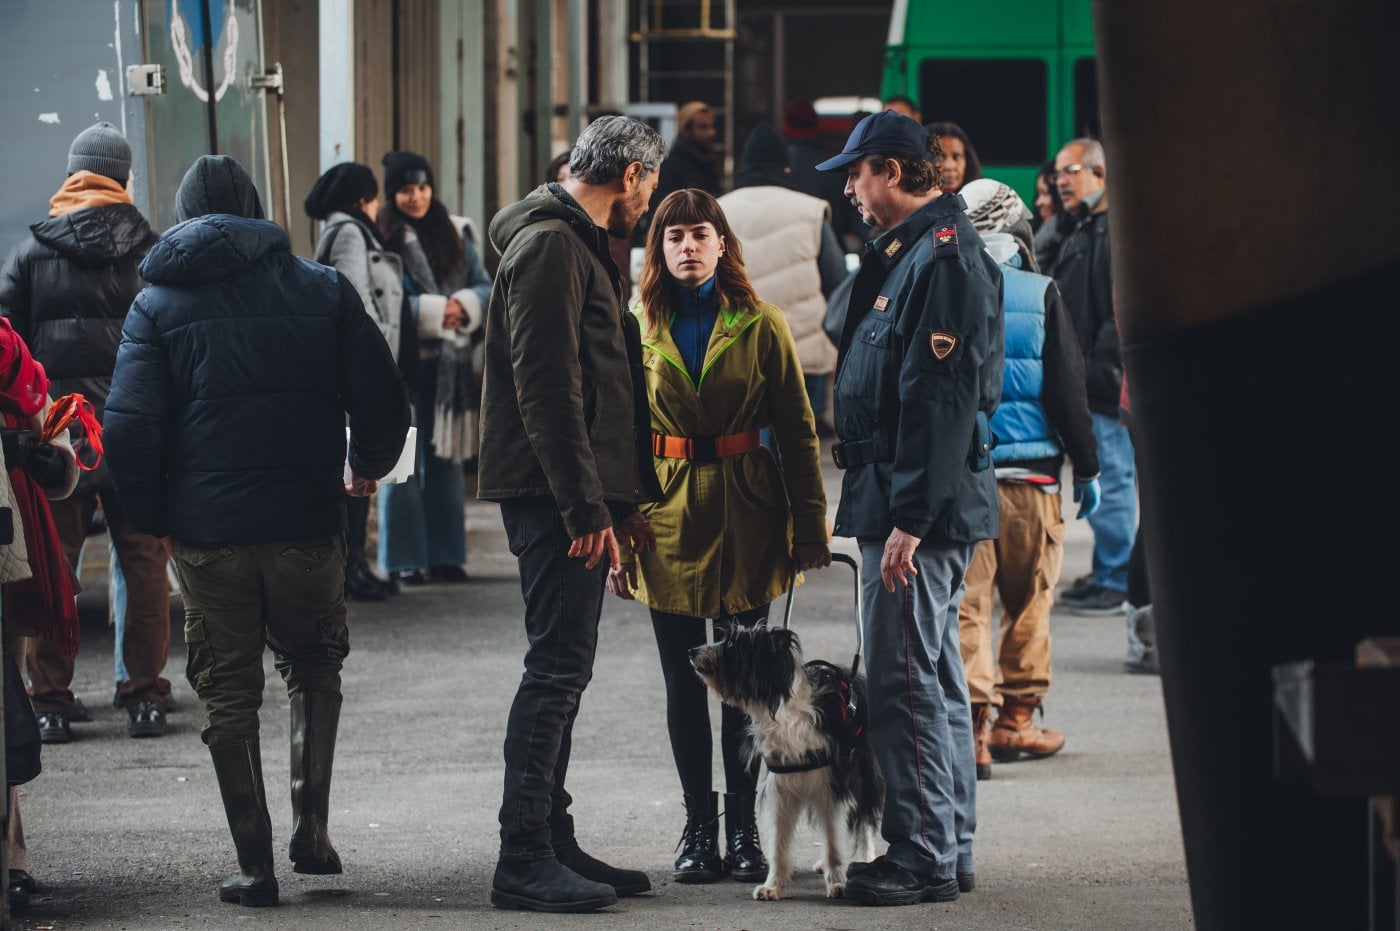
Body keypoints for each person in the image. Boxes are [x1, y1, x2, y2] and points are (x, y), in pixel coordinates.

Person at [102, 155, 410, 908]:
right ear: (253, 206)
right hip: (308, 518)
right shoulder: (319, 288)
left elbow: (131, 431)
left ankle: (255, 863)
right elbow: (383, 397)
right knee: (313, 664)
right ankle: (313, 827)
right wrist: (366, 466)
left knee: (228, 691)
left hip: (209, 534)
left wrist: (152, 520)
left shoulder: (156, 304)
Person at [607, 187, 831, 884]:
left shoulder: (761, 322)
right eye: (673, 238)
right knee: (682, 679)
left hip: (747, 506)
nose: (687, 248)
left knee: (743, 682)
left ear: (722, 242)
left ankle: (744, 831)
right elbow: (616, 430)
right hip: (664, 511)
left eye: (700, 234)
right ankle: (697, 826)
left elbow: (797, 429)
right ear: (658, 249)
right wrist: (616, 516)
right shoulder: (636, 322)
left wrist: (808, 522)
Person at [476, 114, 666, 913]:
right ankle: (522, 853)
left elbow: (599, 378)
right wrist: (586, 506)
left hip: (574, 495)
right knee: (555, 669)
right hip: (555, 496)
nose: (649, 203)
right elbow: (549, 387)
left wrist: (620, 499)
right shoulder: (553, 244)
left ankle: (551, 838)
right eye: (650, 185)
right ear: (629, 174)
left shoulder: (575, 241)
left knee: (565, 667)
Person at [817, 108, 1003, 906]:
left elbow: (940, 398)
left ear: (891, 171)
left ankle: (920, 851)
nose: (851, 191)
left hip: (912, 508)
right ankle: (946, 845)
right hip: (901, 497)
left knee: (902, 681)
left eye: (856, 174)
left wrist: (911, 517)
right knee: (930, 673)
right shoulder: (913, 255)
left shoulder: (942, 260)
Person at [0, 120, 173, 742]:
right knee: (145, 565)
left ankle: (50, 702)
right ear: (123, 177)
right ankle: (144, 696)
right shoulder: (153, 249)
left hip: (60, 437)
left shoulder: (29, 253)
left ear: (72, 173)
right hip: (133, 435)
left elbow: (7, 351)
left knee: (58, 566)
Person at [952, 178, 1101, 779]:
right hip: (1034, 484)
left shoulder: (948, 288)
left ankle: (973, 732)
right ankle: (1018, 720)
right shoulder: (1041, 292)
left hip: (968, 479)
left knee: (968, 606)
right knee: (1030, 603)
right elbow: (1069, 389)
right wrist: (1086, 465)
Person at [376, 150, 492, 586]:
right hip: (402, 365)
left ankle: (446, 554)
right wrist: (429, 310)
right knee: (400, 465)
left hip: (449, 368)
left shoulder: (457, 231)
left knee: (445, 462)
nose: (417, 196)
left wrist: (462, 308)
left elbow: (483, 284)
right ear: (393, 194)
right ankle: (403, 558)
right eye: (406, 189)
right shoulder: (381, 236)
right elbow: (375, 298)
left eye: (422, 187)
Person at [304, 161, 416, 603]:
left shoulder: (345, 229)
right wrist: (375, 362)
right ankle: (352, 570)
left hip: (355, 367)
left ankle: (355, 567)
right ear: (361, 199)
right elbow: (357, 301)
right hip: (358, 370)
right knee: (358, 469)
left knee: (359, 469)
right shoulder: (349, 233)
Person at [0, 316, 82, 910]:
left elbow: (53, 437)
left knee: (4, 703)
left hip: (7, 550)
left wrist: (51, 461)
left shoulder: (9, 352)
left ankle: (12, 859)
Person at [1047, 138, 1136, 616]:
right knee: (1108, 476)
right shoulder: (1086, 226)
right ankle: (1109, 570)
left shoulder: (1110, 229)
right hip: (1092, 374)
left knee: (1113, 479)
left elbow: (1118, 312)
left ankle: (1116, 578)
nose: (1061, 180)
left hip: (1102, 378)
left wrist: (1091, 367)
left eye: (1072, 170)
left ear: (1100, 174)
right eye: (1058, 171)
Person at [717, 123, 849, 437]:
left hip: (735, 349)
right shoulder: (811, 211)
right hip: (802, 352)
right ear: (785, 166)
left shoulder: (717, 211)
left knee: (745, 446)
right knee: (797, 449)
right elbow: (837, 281)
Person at [547, 148, 634, 304]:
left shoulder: (608, 228)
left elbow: (619, 285)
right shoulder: (548, 232)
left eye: (574, 177)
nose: (567, 185)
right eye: (560, 178)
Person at [783, 98, 865, 254]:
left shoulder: (778, 169)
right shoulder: (835, 170)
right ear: (816, 127)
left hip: (788, 254)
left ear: (785, 126)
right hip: (828, 255)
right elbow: (854, 221)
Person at [645, 101, 722, 241]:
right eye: (703, 127)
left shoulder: (707, 162)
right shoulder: (671, 166)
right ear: (686, 130)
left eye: (711, 126)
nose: (711, 133)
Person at [1032, 159, 1072, 274]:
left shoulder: (1065, 241)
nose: (1038, 202)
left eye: (1045, 193)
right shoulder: (1038, 231)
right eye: (1038, 194)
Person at [923, 121, 983, 195]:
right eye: (940, 157)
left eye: (956, 157)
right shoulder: (912, 205)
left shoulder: (980, 197)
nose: (950, 166)